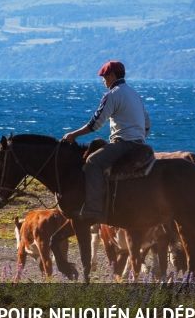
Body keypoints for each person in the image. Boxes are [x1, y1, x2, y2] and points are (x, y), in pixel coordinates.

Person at [61, 60, 152, 222]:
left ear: (112, 75)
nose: (103, 80)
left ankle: (93, 210)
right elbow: (147, 125)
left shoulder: (112, 95)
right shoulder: (134, 94)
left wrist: (73, 135)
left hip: (124, 144)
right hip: (140, 144)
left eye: (104, 76)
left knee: (92, 163)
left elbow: (95, 124)